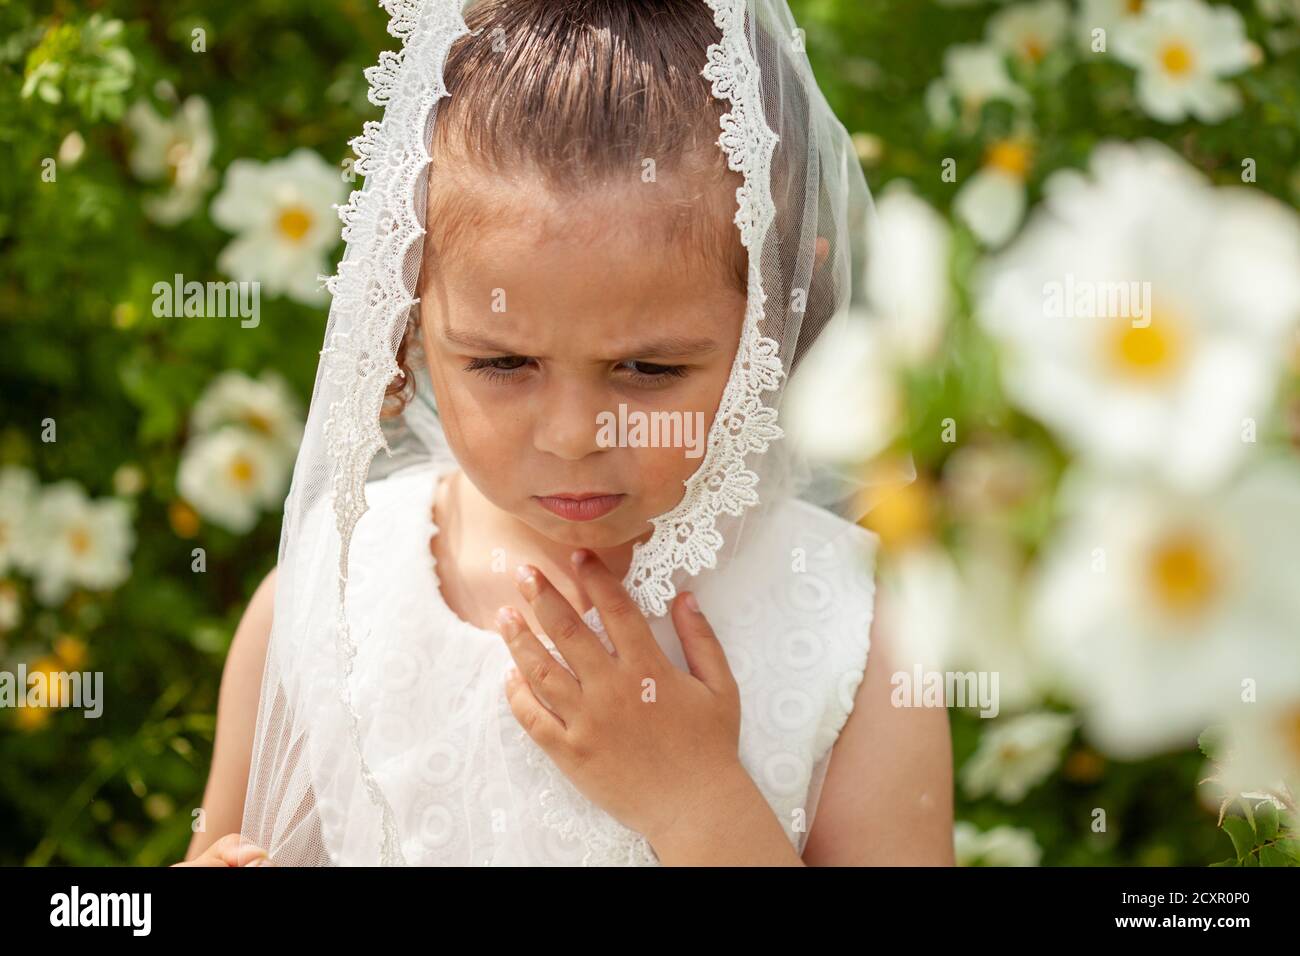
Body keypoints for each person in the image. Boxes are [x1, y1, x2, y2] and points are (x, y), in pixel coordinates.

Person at [177, 0, 954, 867]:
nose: (577, 435)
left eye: (649, 371)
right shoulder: (326, 600)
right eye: (503, 364)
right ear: (407, 313)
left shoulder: (858, 631)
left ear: (774, 315)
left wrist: (697, 803)